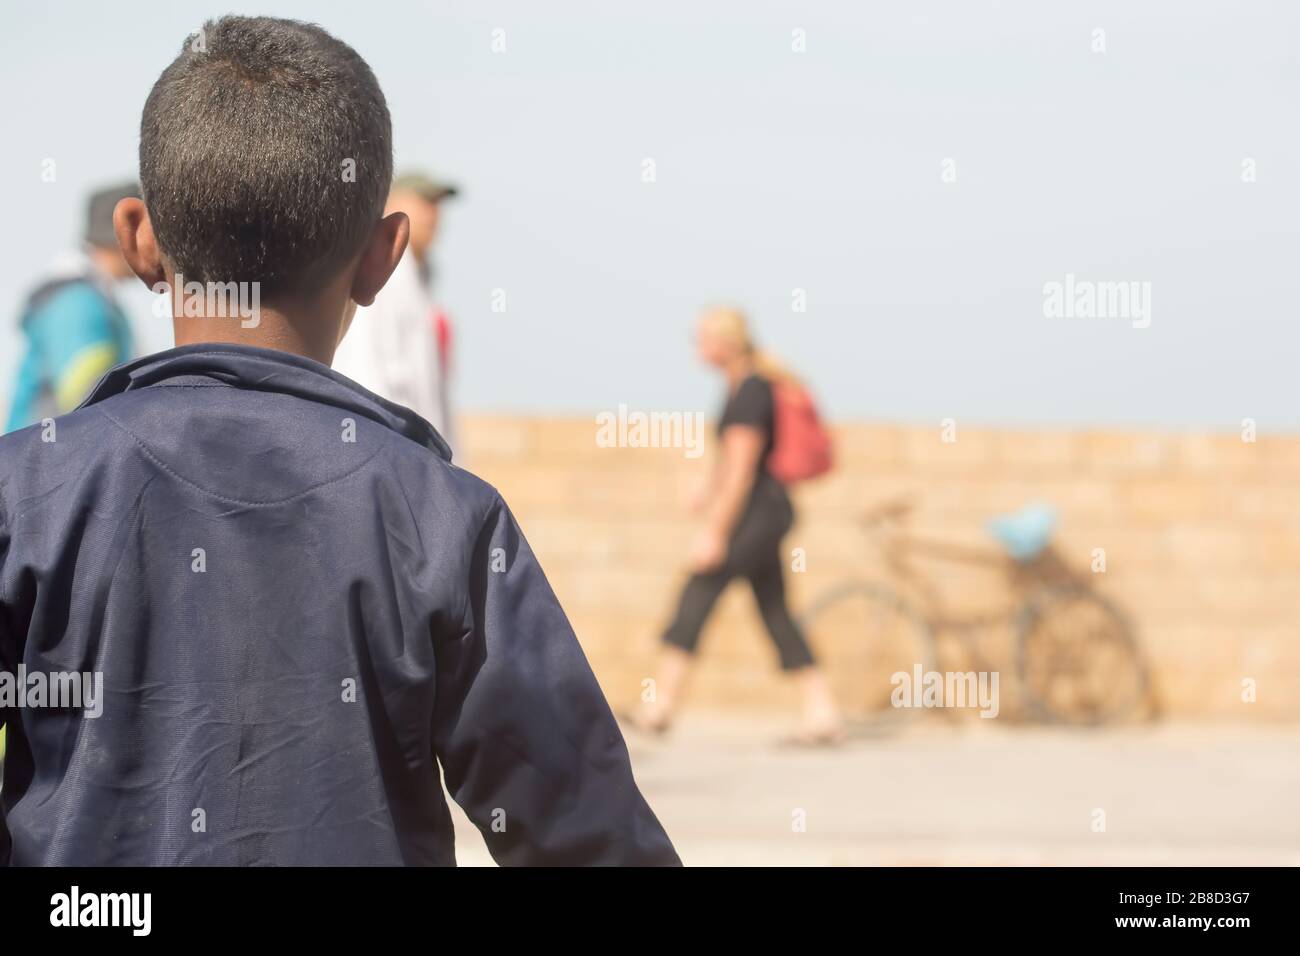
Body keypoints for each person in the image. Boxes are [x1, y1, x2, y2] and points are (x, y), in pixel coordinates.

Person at [0, 16, 677, 867]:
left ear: (140, 238)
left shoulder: (25, 494)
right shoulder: (444, 518)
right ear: (383, 257)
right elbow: (587, 835)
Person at [627, 307, 844, 744]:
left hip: (759, 511)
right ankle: (822, 712)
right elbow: (733, 462)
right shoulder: (745, 386)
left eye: (702, 337)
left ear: (725, 342)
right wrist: (705, 493)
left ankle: (662, 704)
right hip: (766, 509)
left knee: (700, 589)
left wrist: (714, 533)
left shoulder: (750, 391)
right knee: (774, 608)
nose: (697, 346)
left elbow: (743, 470)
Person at [332, 171, 460, 453]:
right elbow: (365, 369)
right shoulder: (383, 275)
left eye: (437, 206)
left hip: (416, 454)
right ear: (392, 204)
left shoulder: (420, 277)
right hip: (390, 448)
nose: (433, 215)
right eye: (425, 202)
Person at [4, 182, 139, 432]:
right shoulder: (79, 303)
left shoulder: (89, 295)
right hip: (47, 464)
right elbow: (86, 398)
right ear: (124, 235)